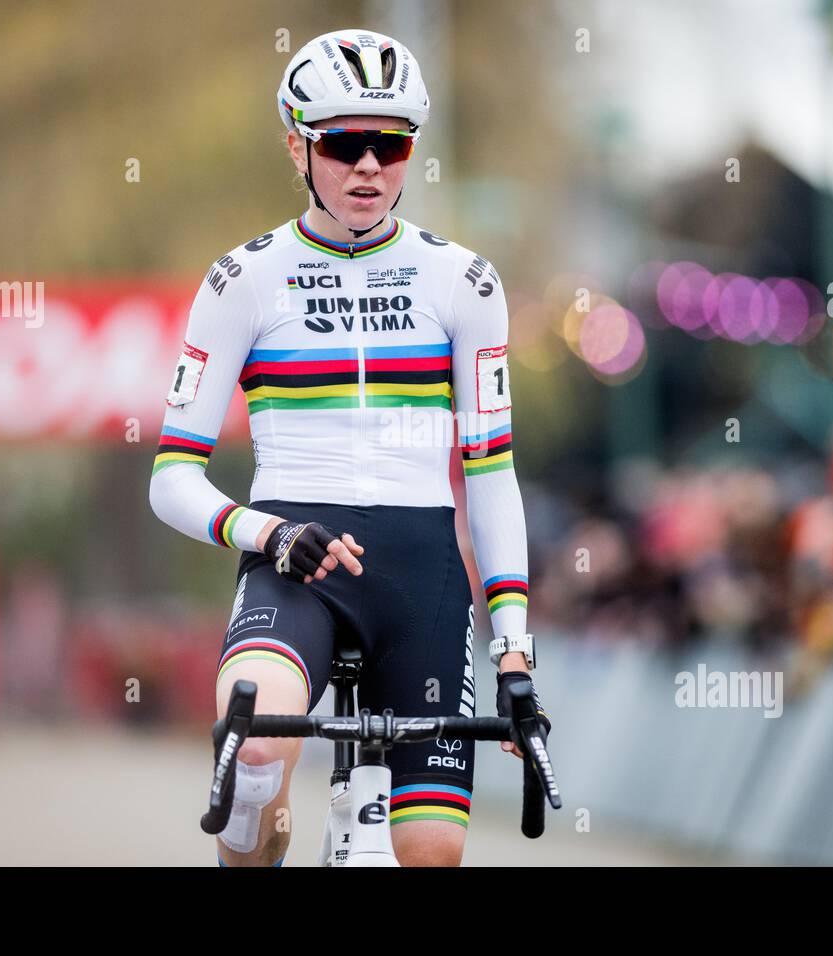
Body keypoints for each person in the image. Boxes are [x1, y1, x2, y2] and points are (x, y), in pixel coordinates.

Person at [149, 28, 546, 867]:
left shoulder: (464, 282)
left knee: (432, 852)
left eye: (391, 143)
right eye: (343, 142)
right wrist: (268, 534)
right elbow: (172, 479)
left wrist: (513, 646)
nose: (369, 166)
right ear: (296, 145)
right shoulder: (242, 280)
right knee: (255, 757)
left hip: (422, 575)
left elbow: (493, 476)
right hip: (296, 561)